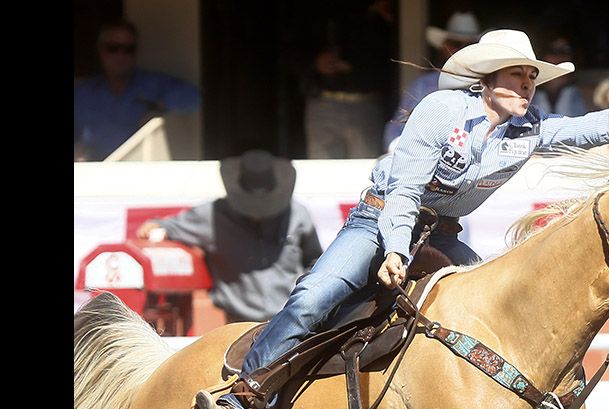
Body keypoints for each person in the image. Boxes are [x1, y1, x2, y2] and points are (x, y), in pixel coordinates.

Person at [192, 28, 609, 409]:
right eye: (517, 76)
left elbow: (596, 126)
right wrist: (395, 250)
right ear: (486, 80)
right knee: (315, 295)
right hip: (380, 221)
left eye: (531, 78)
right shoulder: (441, 110)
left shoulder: (528, 130)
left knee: (504, 308)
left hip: (440, 234)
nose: (527, 86)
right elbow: (404, 189)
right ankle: (241, 392)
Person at [136, 150, 323, 324]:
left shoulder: (298, 214)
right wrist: (156, 229)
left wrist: (306, 298)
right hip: (240, 324)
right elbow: (161, 226)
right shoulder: (211, 216)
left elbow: (316, 262)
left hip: (292, 318)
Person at [74, 19, 201, 161]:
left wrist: (159, 108)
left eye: (128, 49)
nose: (121, 55)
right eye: (113, 48)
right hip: (93, 169)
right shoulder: (82, 94)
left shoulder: (151, 85)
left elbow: (195, 98)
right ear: (101, 50)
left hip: (138, 168)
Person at [300, 0, 396, 159]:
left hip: (366, 102)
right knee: (322, 167)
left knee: (366, 167)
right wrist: (315, 61)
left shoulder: (377, 12)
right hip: (323, 102)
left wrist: (387, 18)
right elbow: (291, 49)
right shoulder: (314, 10)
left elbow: (402, 45)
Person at [382, 11, 482, 153]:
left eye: (470, 45)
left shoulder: (489, 85)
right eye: (456, 43)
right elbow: (397, 130)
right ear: (444, 46)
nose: (462, 50)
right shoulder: (422, 86)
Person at [531, 37, 588, 118]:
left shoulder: (586, 93)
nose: (559, 57)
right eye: (553, 51)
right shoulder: (527, 92)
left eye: (564, 51)